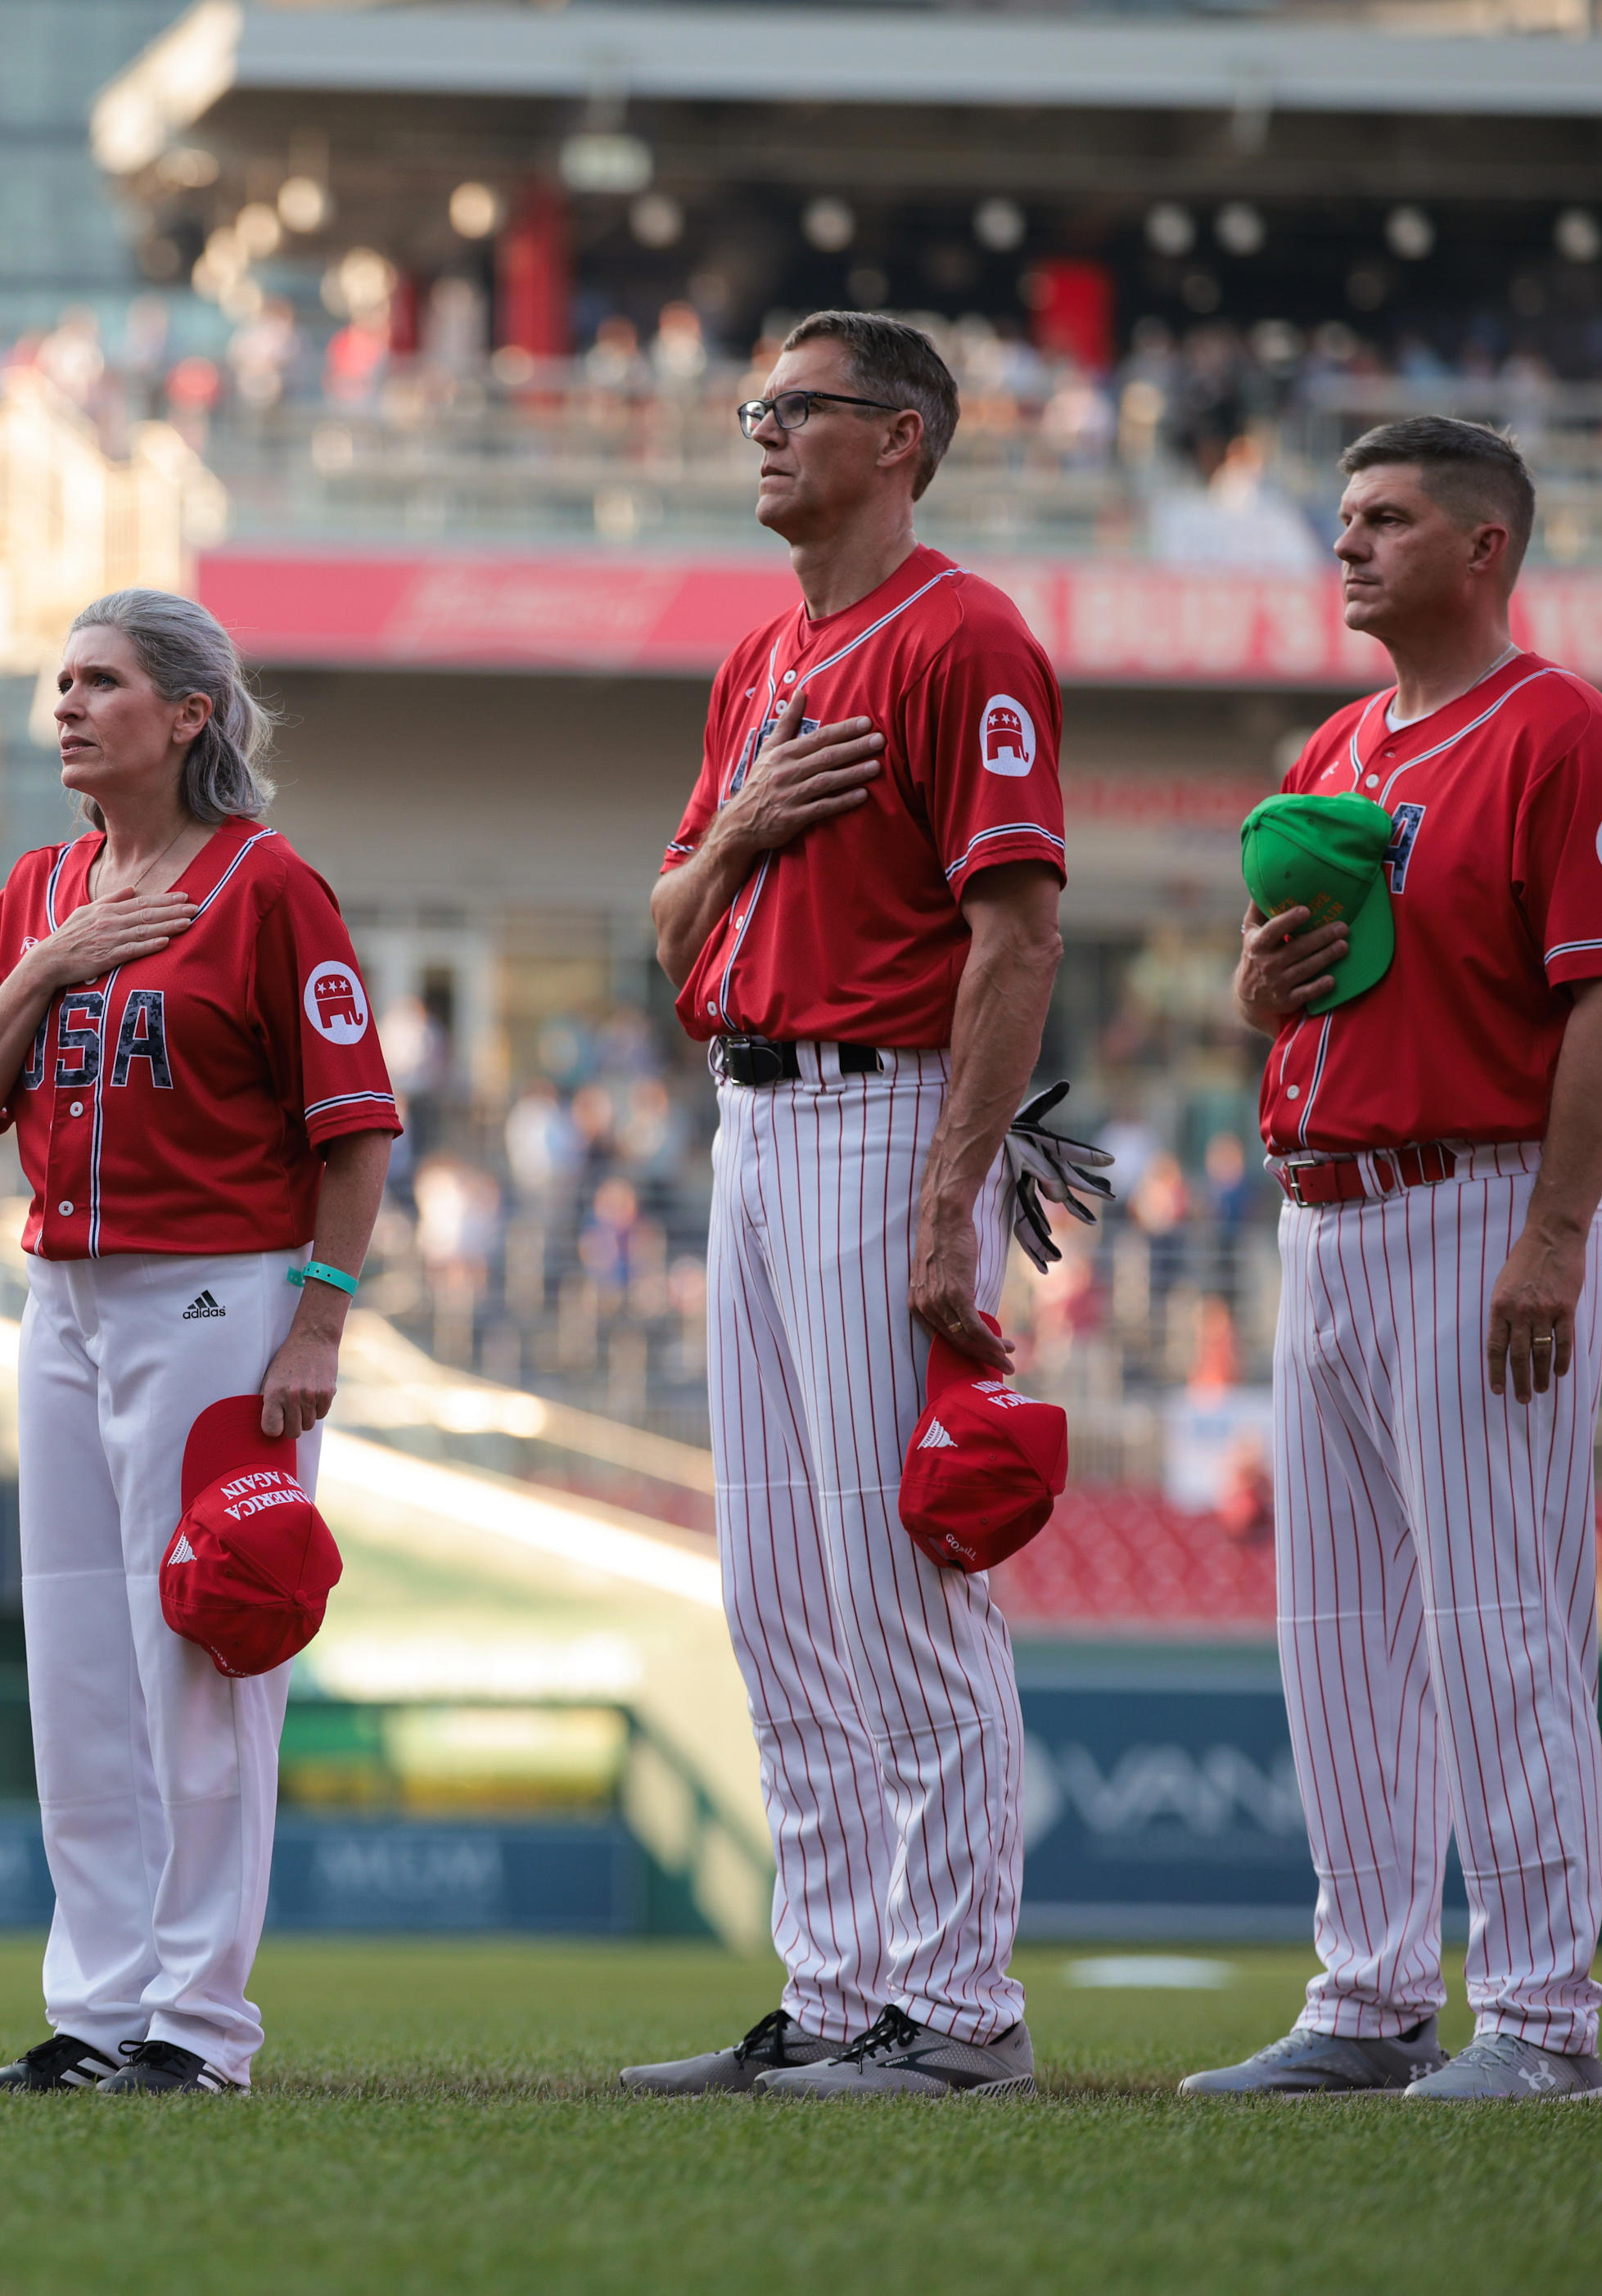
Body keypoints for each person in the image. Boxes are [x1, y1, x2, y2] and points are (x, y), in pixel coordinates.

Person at [1184, 417, 1602, 2104]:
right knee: (1334, 1633)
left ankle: (1536, 2023)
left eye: (1383, 519)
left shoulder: (1557, 729)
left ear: (1480, 549)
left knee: (1495, 1622)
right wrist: (1256, 992)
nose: (1344, 545)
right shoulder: (1331, 742)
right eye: (1340, 518)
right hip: (1319, 1209)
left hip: (1477, 1203)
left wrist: (1552, 1230)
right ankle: (1366, 1995)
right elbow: (1287, 993)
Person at [631, 312, 1067, 2100]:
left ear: (895, 440)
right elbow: (662, 923)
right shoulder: (758, 657)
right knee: (775, 1593)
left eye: (791, 408)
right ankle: (831, 1992)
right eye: (753, 406)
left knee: (899, 1586)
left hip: (883, 1109)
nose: (758, 431)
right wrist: (733, 827)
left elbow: (1017, 928)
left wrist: (950, 1197)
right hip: (747, 1110)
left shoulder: (962, 634)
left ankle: (956, 2012)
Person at [0, 589, 398, 2097]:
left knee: (196, 1654)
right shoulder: (41, 886)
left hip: (219, 1294)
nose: (67, 705)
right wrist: (51, 964)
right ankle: (95, 2014)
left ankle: (196, 2028)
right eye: (59, 681)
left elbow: (358, 1128)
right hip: (64, 1295)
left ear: (188, 715)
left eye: (102, 682)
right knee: (79, 1670)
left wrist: (318, 1319)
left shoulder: (264, 886)